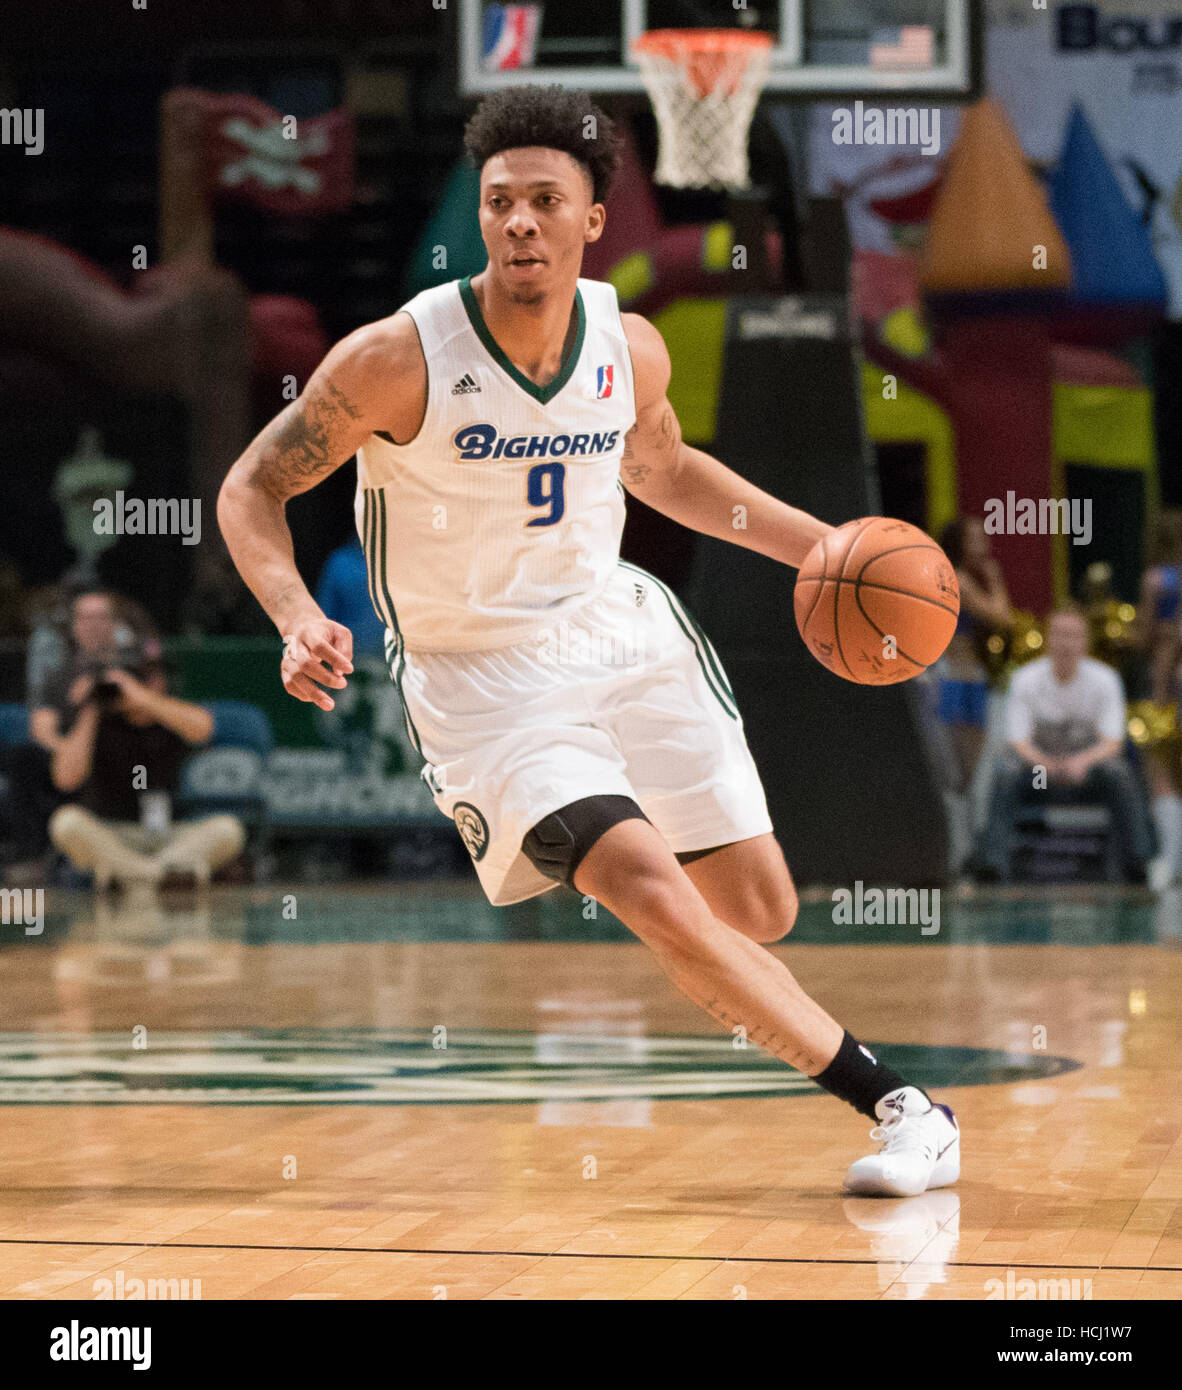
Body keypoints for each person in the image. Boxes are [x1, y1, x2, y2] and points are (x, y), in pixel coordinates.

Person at [217, 86, 960, 1197]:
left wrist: (826, 546)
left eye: (543, 202)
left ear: (591, 220)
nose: (519, 221)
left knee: (761, 910)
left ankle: (677, 917)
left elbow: (665, 472)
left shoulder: (630, 347)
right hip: (483, 684)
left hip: (622, 632)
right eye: (501, 201)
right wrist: (292, 613)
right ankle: (904, 1105)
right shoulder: (395, 358)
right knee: (651, 890)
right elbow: (250, 487)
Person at [36, 589, 244, 889]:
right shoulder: (96, 717)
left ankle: (130, 875)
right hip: (110, 832)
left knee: (228, 829)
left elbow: (205, 728)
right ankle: (156, 876)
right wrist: (92, 707)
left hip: (167, 833)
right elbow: (66, 779)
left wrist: (143, 698)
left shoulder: (168, 714)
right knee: (65, 823)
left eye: (145, 677)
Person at [973, 606, 1154, 884]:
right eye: (1059, 634)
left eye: (1073, 635)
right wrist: (1046, 764)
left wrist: (1079, 763)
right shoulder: (1026, 679)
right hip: (1041, 777)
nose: (1065, 643)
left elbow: (1113, 743)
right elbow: (1018, 741)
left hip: (1087, 775)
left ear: (1085, 642)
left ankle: (1137, 864)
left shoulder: (1105, 679)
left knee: (1119, 773)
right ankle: (991, 866)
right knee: (1006, 772)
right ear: (1048, 638)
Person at [936, 516, 1014, 790]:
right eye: (976, 539)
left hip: (971, 677)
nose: (984, 544)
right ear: (960, 544)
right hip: (957, 680)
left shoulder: (965, 578)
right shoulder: (960, 579)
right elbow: (1003, 618)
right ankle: (966, 831)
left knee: (973, 773)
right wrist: (995, 579)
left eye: (984, 537)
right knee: (967, 774)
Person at [1131, 511, 1182, 889]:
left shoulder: (1155, 580)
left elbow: (1149, 636)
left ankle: (1168, 862)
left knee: (1160, 773)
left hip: (1166, 680)